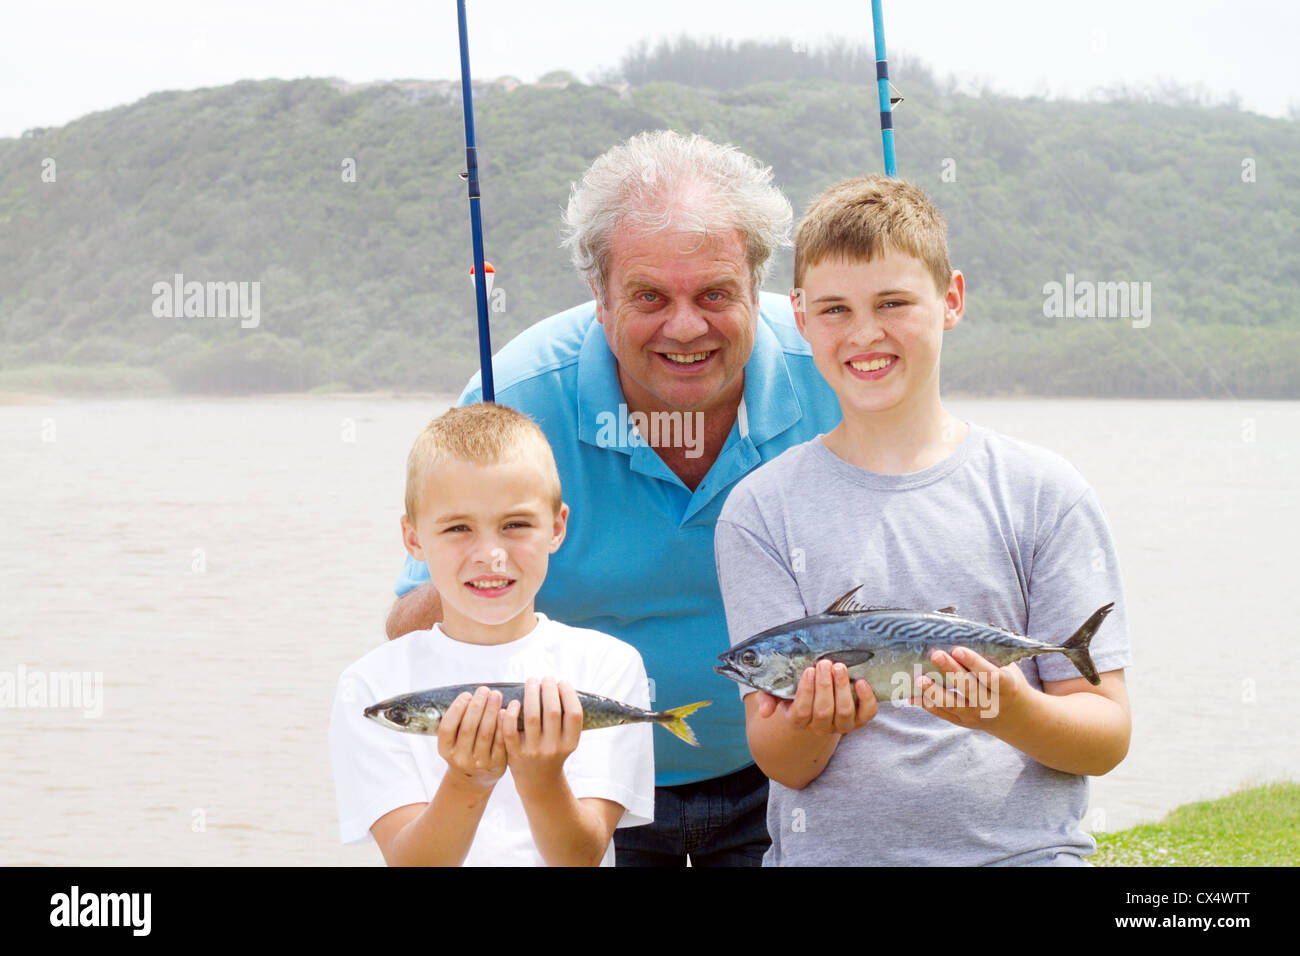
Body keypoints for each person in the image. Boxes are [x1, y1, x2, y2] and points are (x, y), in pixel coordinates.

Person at [385, 130, 842, 865]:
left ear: (759, 290)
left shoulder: (833, 372)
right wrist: (489, 556)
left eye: (716, 294)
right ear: (599, 297)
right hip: (578, 788)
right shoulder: (517, 399)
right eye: (650, 297)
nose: (686, 326)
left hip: (799, 773)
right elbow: (408, 635)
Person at [713, 175, 1133, 866]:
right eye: (835, 309)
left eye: (894, 303)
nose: (865, 333)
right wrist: (816, 726)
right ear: (799, 315)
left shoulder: (1045, 493)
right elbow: (782, 761)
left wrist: (1008, 708)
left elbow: (1106, 733)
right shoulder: (759, 511)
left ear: (952, 300)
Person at [330, 403, 654, 865]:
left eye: (515, 525)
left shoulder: (610, 665)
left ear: (557, 527)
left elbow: (580, 857)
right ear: (414, 538)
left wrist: (542, 778)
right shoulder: (370, 686)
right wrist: (467, 779)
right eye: (458, 527)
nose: (491, 554)